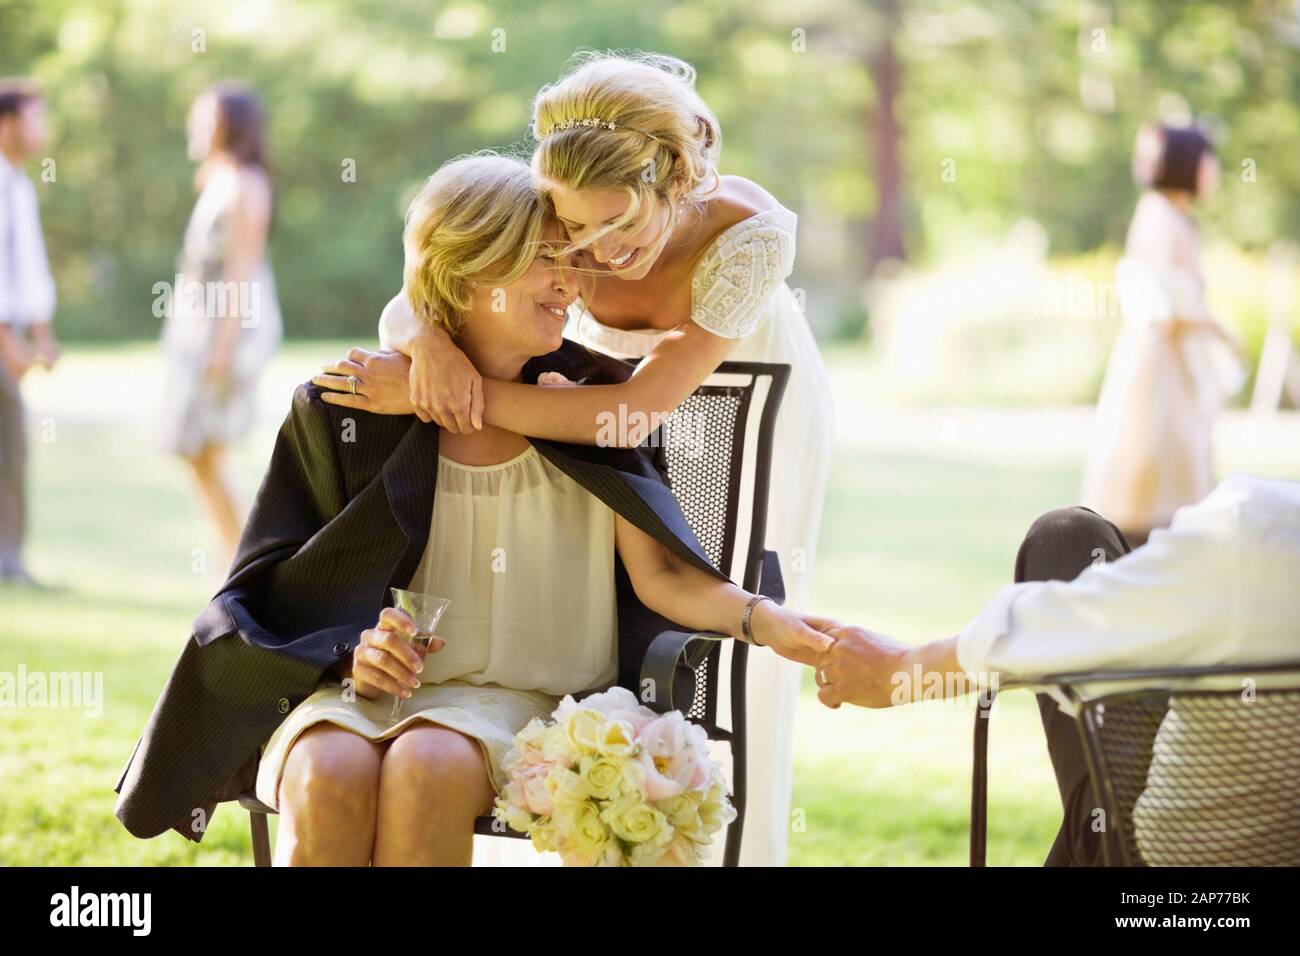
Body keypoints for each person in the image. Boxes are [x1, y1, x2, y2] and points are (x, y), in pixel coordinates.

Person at [114, 155, 832, 866]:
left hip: (531, 698)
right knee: (328, 768)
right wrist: (351, 655)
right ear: (466, 276)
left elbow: (664, 576)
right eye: (545, 260)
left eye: (572, 259)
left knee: (429, 761)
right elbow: (268, 589)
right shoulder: (354, 408)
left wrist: (761, 618)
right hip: (362, 698)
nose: (572, 283)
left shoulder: (589, 407)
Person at [321, 51, 835, 866]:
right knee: (597, 561)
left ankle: (710, 831)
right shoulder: (555, 232)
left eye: (620, 225)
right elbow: (431, 280)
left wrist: (458, 400)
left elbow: (633, 413)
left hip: (710, 397)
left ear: (674, 183)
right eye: (575, 229)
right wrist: (428, 350)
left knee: (715, 620)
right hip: (579, 385)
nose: (596, 250)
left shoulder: (748, 236)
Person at [811, 473, 1300, 865]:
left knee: (1063, 537)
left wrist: (901, 670)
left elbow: (1055, 627)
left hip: (1161, 871)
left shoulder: (1260, 526)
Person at [1082, 123, 1245, 546]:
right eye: (1209, 163)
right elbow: (1159, 304)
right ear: (1187, 165)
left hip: (1171, 362)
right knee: (1155, 464)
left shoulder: (1171, 216)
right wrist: (1218, 329)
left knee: (1174, 469)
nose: (1215, 173)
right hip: (1159, 366)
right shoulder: (1162, 218)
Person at [158, 84, 281, 567]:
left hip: (229, 330)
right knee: (195, 447)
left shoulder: (246, 183)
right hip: (200, 328)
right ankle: (233, 558)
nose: (194, 127)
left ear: (231, 126)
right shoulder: (219, 180)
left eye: (204, 119)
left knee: (205, 444)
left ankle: (244, 561)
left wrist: (222, 348)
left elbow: (240, 271)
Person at [0, 78, 60, 587]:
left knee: (12, 446)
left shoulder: (16, 182)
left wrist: (41, 332)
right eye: (34, 117)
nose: (43, 128)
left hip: (12, 332)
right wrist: (9, 342)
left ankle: (10, 559)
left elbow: (27, 266)